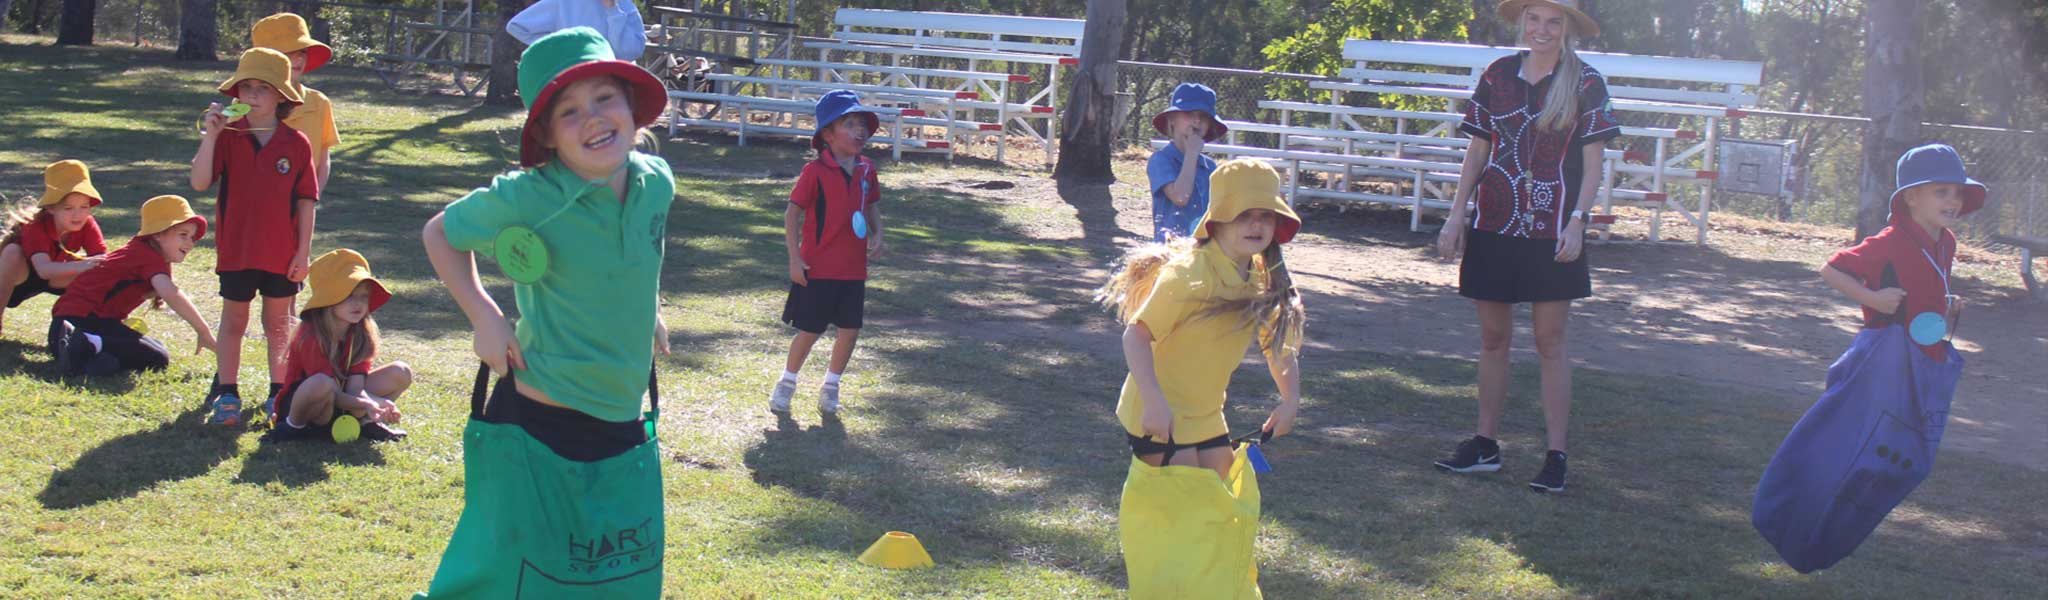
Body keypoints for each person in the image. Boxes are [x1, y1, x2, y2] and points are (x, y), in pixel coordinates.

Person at [415, 27, 674, 597]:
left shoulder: (657, 181)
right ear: (549, 136)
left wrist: (648, 308)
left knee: (603, 574)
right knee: (512, 570)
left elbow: (642, 253)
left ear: (631, 107)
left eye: (604, 98)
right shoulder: (528, 195)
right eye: (569, 111)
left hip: (623, 410)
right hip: (544, 412)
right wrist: (485, 316)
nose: (592, 119)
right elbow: (440, 234)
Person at [1431, 0, 1621, 493]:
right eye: (1534, 19)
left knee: (1550, 343)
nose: (1542, 29)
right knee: (1493, 339)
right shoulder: (1497, 74)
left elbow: (1594, 164)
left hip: (1553, 228)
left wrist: (1578, 221)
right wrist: (1457, 214)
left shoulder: (1586, 82)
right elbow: (1478, 148)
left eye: (1553, 21)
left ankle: (1556, 455)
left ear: (1568, 28)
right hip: (1494, 222)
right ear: (1522, 23)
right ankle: (1485, 444)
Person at [769, 90, 886, 416]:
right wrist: (795, 258)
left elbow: (872, 205)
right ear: (827, 134)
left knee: (850, 331)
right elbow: (792, 213)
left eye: (862, 124)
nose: (859, 131)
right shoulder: (814, 172)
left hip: (853, 269)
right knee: (811, 330)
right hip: (818, 267)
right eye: (849, 124)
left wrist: (879, 233)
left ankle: (831, 386)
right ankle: (787, 381)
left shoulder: (867, 169)